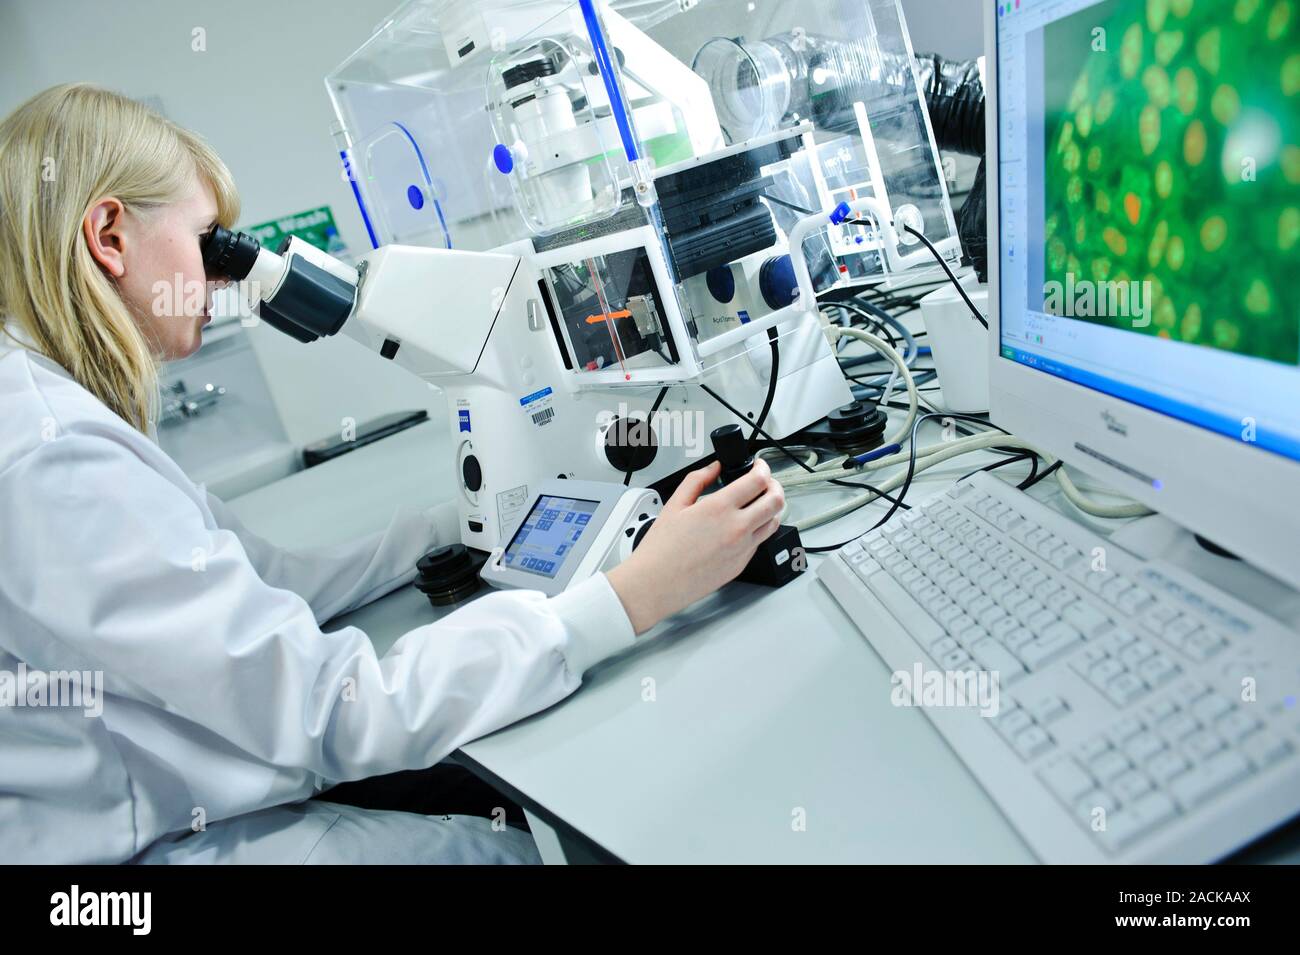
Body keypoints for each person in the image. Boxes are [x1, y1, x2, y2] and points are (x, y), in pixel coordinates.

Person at [0, 84, 786, 864]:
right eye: (210, 241)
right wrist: (638, 593)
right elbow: (335, 712)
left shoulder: (44, 411)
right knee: (541, 849)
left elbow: (269, 582)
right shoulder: (55, 457)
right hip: (141, 858)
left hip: (185, 793)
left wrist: (467, 521)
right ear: (108, 234)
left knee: (486, 793)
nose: (225, 278)